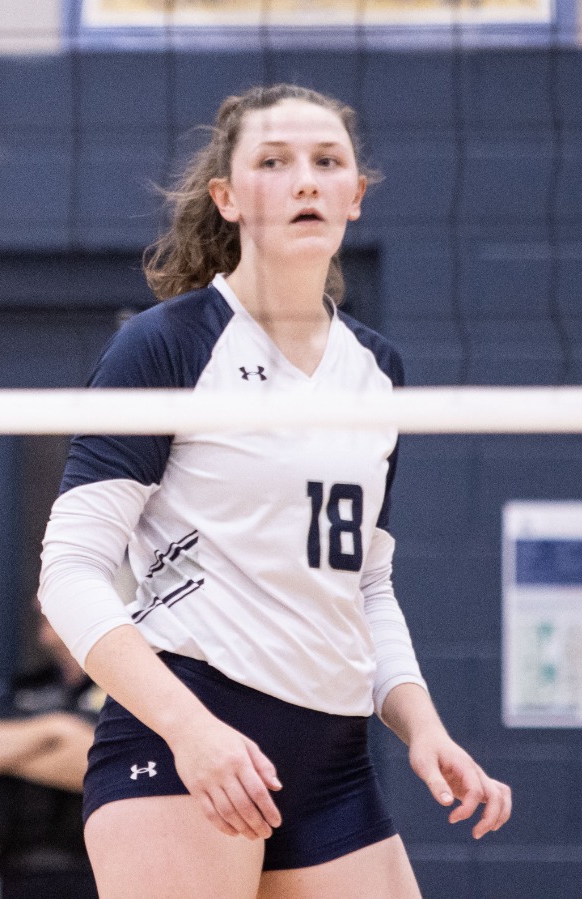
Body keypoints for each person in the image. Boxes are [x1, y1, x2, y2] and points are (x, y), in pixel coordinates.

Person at [38, 84, 512, 899]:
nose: (305, 181)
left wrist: (422, 724)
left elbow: (363, 582)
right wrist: (191, 731)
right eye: (274, 162)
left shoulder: (377, 370)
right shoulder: (166, 345)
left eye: (328, 162)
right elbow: (69, 572)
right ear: (226, 196)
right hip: (187, 731)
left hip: (334, 756)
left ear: (356, 195)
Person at [0, 615, 100, 899]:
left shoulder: (124, 694)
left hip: (92, 874)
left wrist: (6, 754)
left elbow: (97, 767)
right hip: (8, 874)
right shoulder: (19, 687)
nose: (38, 603)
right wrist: (58, 730)